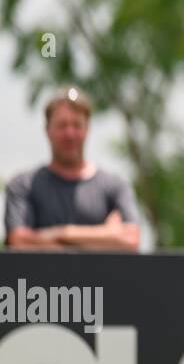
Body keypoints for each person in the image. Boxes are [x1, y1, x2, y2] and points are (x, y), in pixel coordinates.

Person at [3, 85, 142, 251]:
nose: (70, 134)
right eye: (62, 125)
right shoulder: (24, 185)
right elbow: (19, 241)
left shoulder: (115, 186)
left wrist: (62, 233)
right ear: (47, 130)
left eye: (77, 125)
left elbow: (131, 239)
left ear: (87, 129)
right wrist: (106, 235)